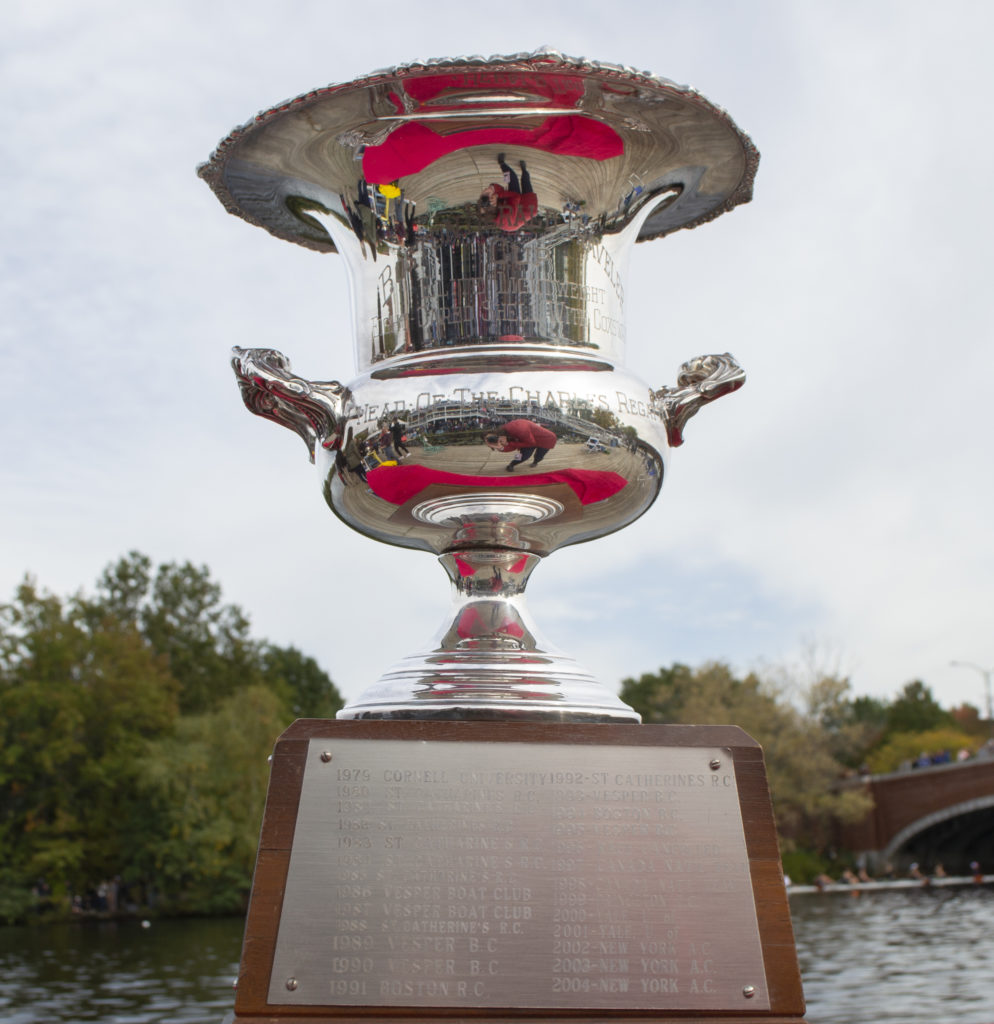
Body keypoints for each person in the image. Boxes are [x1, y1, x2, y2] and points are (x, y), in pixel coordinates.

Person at [484, 419, 557, 472]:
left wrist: (508, 444)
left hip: (545, 439)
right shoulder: (505, 432)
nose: (494, 440)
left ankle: (535, 462)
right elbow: (513, 447)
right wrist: (502, 448)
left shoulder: (516, 429)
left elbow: (530, 443)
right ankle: (511, 464)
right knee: (522, 456)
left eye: (491, 438)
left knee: (539, 456)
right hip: (528, 440)